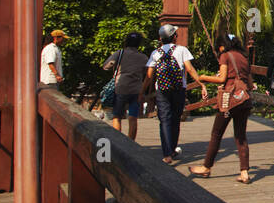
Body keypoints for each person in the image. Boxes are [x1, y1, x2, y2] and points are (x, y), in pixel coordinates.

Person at [188, 33, 253, 184]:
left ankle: (206, 167)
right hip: (244, 101)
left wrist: (204, 77)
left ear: (223, 46)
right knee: (241, 136)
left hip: (229, 101)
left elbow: (222, 79)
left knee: (216, 134)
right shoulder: (244, 58)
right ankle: (244, 172)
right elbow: (249, 84)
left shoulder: (225, 56)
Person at [146, 24, 205, 165]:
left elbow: (149, 76)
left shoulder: (156, 52)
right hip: (179, 89)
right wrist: (201, 84)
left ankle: (167, 154)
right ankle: (172, 149)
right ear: (174, 37)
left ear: (160, 38)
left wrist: (144, 93)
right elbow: (190, 69)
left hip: (162, 89)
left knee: (164, 120)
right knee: (175, 119)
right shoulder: (181, 50)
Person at [102, 33, 150, 140]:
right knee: (133, 118)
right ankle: (131, 143)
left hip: (121, 88)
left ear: (126, 42)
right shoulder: (143, 57)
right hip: (136, 90)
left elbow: (106, 66)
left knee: (117, 116)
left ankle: (118, 141)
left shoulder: (120, 53)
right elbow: (148, 72)